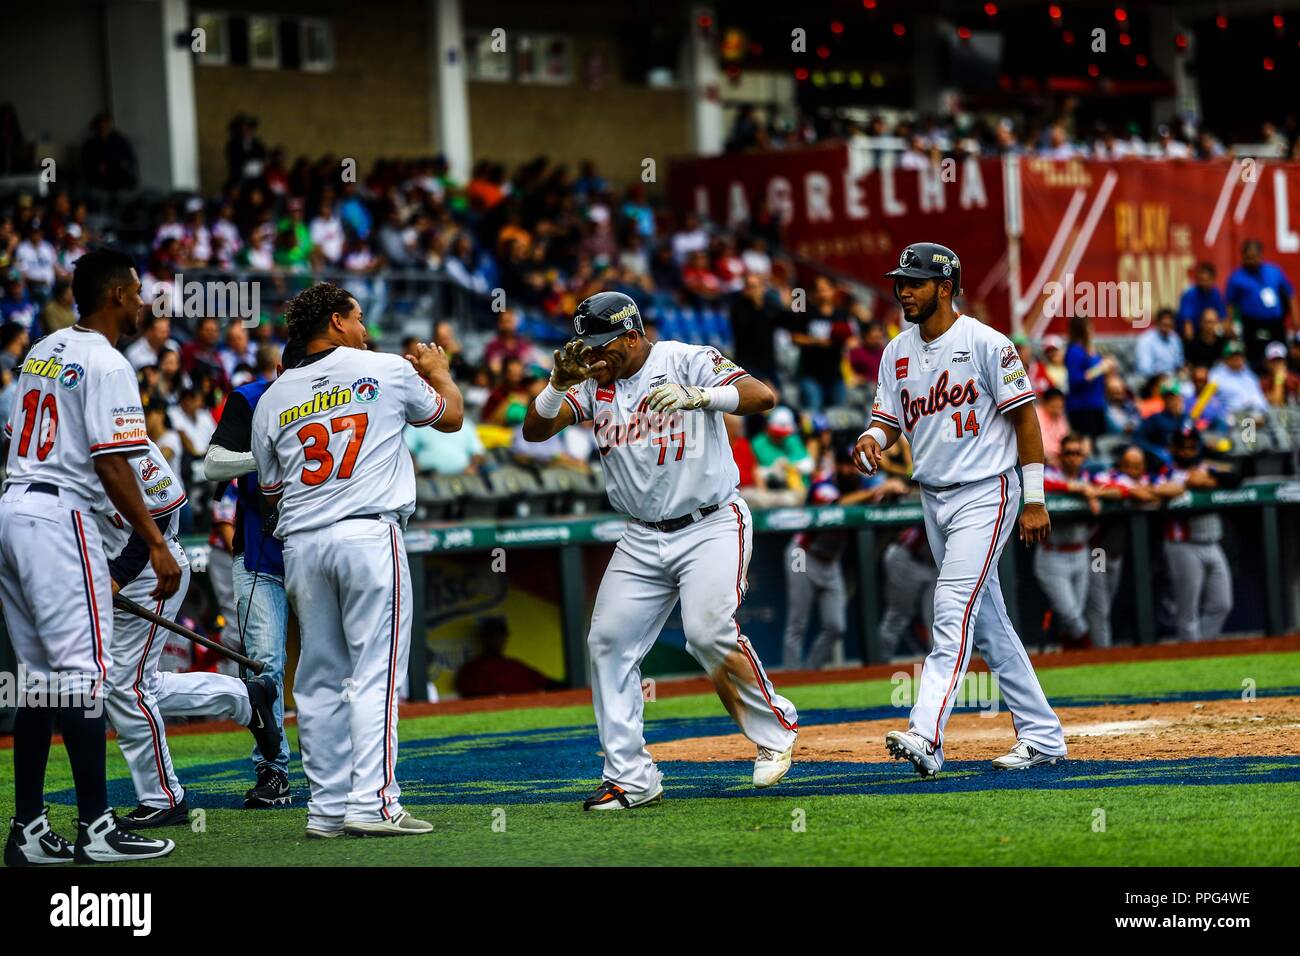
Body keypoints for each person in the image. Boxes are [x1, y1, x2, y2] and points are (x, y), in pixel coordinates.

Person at [523, 291, 799, 809]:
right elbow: (535, 431)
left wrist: (702, 396)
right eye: (588, 347)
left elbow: (763, 397)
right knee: (607, 642)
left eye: (605, 346)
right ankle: (631, 777)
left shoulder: (686, 358)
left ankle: (776, 731)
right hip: (641, 534)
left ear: (633, 334)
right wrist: (555, 385)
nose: (595, 357)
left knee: (707, 631)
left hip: (710, 521)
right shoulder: (592, 380)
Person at [250, 283, 464, 838]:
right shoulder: (387, 369)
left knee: (318, 679)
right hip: (368, 534)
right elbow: (452, 419)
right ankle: (373, 805)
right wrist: (439, 369)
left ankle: (325, 811)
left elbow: (269, 489)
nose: (365, 327)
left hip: (301, 544)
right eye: (359, 317)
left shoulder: (273, 396)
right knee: (377, 675)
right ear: (339, 322)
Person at [856, 241, 1066, 777]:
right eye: (900, 281)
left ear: (945, 287)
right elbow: (889, 418)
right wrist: (871, 436)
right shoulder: (895, 351)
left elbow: (1025, 420)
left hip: (986, 491)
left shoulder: (987, 343)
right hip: (933, 495)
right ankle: (1042, 737)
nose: (903, 290)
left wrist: (1035, 497)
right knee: (990, 623)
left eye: (915, 282)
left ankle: (927, 732)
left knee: (950, 607)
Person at [1, 248, 179, 865]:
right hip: (59, 517)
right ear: (114, 296)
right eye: (135, 292)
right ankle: (98, 830)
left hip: (14, 506)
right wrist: (156, 543)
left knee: (41, 685)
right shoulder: (107, 361)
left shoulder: (45, 348)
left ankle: (27, 832)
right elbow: (110, 461)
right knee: (81, 677)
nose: (141, 302)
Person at [95, 439, 281, 828]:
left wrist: (119, 575)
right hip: (109, 574)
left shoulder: (119, 430)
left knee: (125, 688)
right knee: (138, 687)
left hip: (150, 572)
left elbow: (164, 505)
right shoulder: (53, 445)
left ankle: (164, 798)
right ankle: (245, 697)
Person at [203, 342, 307, 808]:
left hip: (317, 551)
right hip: (260, 553)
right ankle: (274, 770)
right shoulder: (250, 398)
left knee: (333, 666)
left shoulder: (340, 396)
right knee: (266, 668)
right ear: (281, 368)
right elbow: (212, 465)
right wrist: (262, 456)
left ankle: (348, 770)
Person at [781, 450, 875, 670]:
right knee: (798, 622)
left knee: (836, 626)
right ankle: (792, 677)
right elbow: (836, 505)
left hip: (830, 561)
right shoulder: (823, 483)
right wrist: (876, 491)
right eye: (844, 465)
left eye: (851, 466)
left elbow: (879, 498)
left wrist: (888, 491)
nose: (848, 470)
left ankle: (811, 673)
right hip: (802, 554)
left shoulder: (861, 486)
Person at [1155, 427, 1232, 642]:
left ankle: (1201, 649)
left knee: (1222, 603)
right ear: (1173, 449)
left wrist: (1206, 479)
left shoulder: (1206, 469)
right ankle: (1190, 655)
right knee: (1187, 611)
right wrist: (1186, 483)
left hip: (1212, 543)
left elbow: (1235, 477)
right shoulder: (1166, 472)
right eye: (1182, 447)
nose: (1187, 451)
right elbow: (1159, 490)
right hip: (1182, 545)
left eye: (1191, 447)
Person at [1034, 434, 1101, 649]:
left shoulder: (1090, 476)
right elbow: (1039, 483)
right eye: (1068, 453)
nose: (1072, 458)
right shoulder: (1051, 473)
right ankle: (1090, 654)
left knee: (1074, 615)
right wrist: (1078, 490)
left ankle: (1069, 660)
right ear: (1060, 455)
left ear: (1083, 456)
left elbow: (1114, 488)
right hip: (1052, 554)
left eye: (1077, 453)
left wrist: (1093, 491)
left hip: (1081, 552)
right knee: (1073, 617)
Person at [1087, 447, 1159, 647]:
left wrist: (1146, 492)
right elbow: (1098, 487)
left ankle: (1095, 648)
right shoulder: (1109, 476)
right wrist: (1131, 493)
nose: (1133, 470)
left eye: (1137, 466)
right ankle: (1101, 655)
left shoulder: (1148, 480)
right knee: (1099, 609)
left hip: (1117, 555)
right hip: (1097, 551)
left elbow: (1173, 486)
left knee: (1105, 606)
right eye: (1128, 465)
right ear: (1122, 464)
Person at [1225, 239, 1295, 368]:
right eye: (1248, 258)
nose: (1251, 261)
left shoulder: (1274, 271)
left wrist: (1296, 318)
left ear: (1261, 255)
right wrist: (1229, 323)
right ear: (1243, 257)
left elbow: (1290, 294)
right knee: (1255, 358)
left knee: (1282, 355)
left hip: (1276, 323)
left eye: (1254, 257)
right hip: (1253, 324)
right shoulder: (1237, 277)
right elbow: (1230, 303)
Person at [454, 617, 563, 698]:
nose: (498, 641)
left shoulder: (514, 665)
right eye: (493, 636)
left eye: (501, 636)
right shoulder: (473, 669)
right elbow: (472, 698)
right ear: (484, 638)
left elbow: (547, 683)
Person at [878, 525, 938, 658]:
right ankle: (878, 667)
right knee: (898, 616)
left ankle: (939, 669)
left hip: (935, 565)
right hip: (906, 557)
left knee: (937, 616)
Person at [1064, 314, 1115, 439]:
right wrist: (1101, 368)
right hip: (1082, 407)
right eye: (1088, 326)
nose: (1092, 329)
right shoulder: (1075, 351)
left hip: (1097, 403)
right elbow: (1075, 379)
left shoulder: (1089, 350)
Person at [1135, 381, 1191, 468]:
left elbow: (1194, 439)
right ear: (1163, 399)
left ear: (1180, 398)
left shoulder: (1186, 419)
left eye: (1174, 397)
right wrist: (1157, 451)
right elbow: (1138, 439)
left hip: (1185, 460)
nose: (1172, 400)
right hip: (1161, 462)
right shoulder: (1155, 419)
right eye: (1168, 397)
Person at [1209, 341, 1270, 415]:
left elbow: (1261, 400)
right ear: (1225, 358)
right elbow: (1208, 401)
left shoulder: (1250, 376)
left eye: (1240, 355)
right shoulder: (1215, 377)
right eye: (1234, 356)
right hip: (1232, 419)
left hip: (1256, 417)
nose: (1238, 359)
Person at [1177, 262, 1226, 337]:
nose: (1203, 283)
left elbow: (1222, 317)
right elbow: (1187, 323)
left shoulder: (1216, 293)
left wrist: (1222, 335)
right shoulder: (1189, 294)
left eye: (1206, 280)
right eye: (1201, 279)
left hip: (1210, 335)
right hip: (1193, 334)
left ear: (1213, 279)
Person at [1134, 308, 1185, 378]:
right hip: (1151, 380)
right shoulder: (1146, 340)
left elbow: (1179, 363)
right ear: (1157, 323)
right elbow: (1144, 369)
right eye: (1164, 324)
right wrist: (1161, 377)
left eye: (1169, 324)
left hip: (1173, 379)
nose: (1167, 327)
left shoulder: (1175, 339)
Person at [1035, 387, 1070, 466]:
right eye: (1054, 406)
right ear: (1044, 403)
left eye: (1060, 407)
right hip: (1042, 459)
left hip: (1059, 458)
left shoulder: (1061, 416)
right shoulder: (1036, 414)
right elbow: (1040, 443)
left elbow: (1065, 439)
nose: (1057, 409)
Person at [1261, 340, 1300, 406]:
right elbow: (1276, 403)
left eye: (1279, 361)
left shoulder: (1294, 379)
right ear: (1267, 363)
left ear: (1285, 362)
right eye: (1273, 361)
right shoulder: (1264, 382)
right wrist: (1279, 380)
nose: (1276, 364)